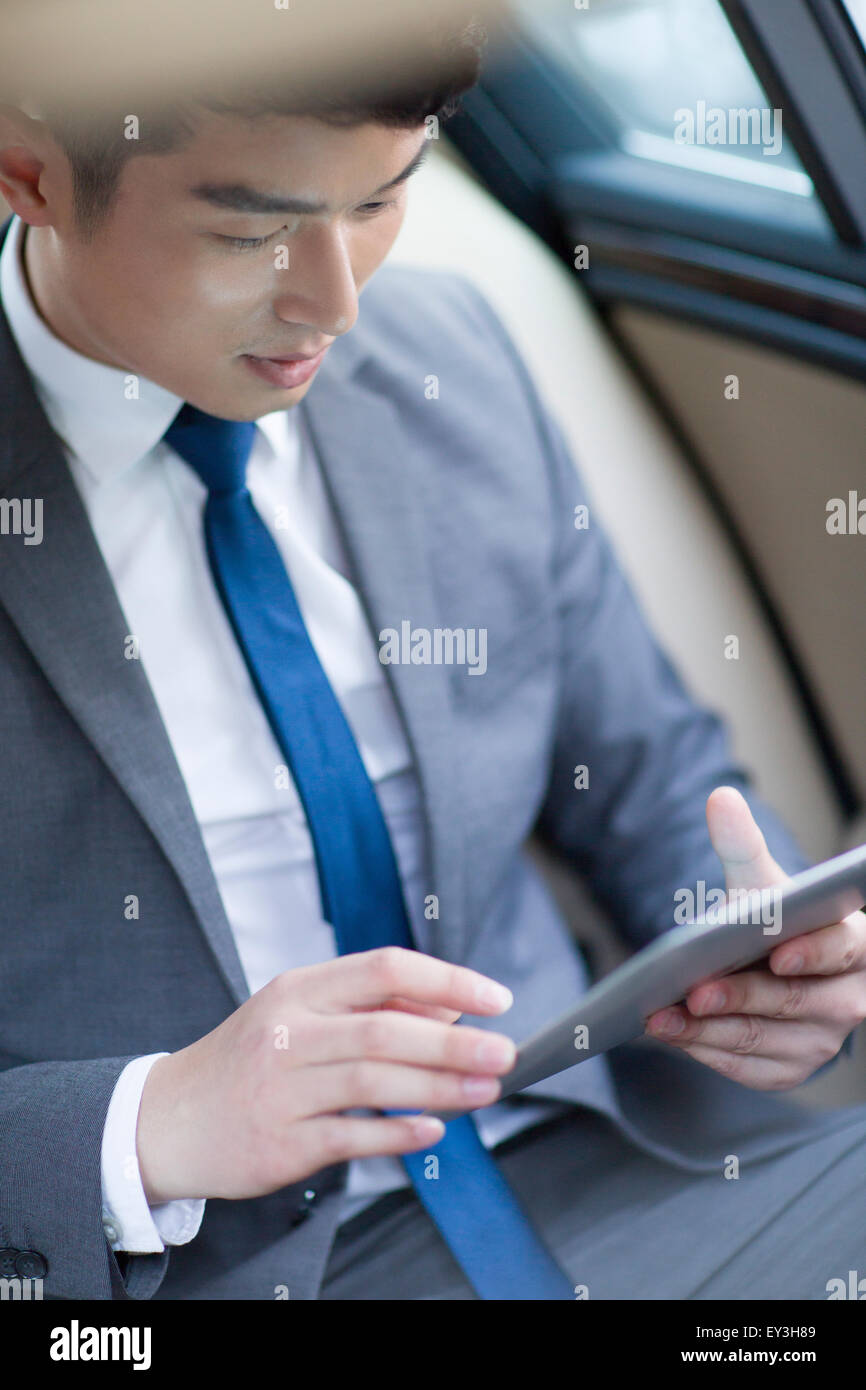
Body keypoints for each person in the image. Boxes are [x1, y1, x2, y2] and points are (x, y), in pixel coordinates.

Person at [0, 17, 864, 1301]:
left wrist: (767, 955)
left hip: (616, 1167)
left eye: (384, 199)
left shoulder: (452, 358)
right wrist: (155, 1122)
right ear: (30, 177)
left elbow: (652, 784)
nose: (333, 303)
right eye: (249, 233)